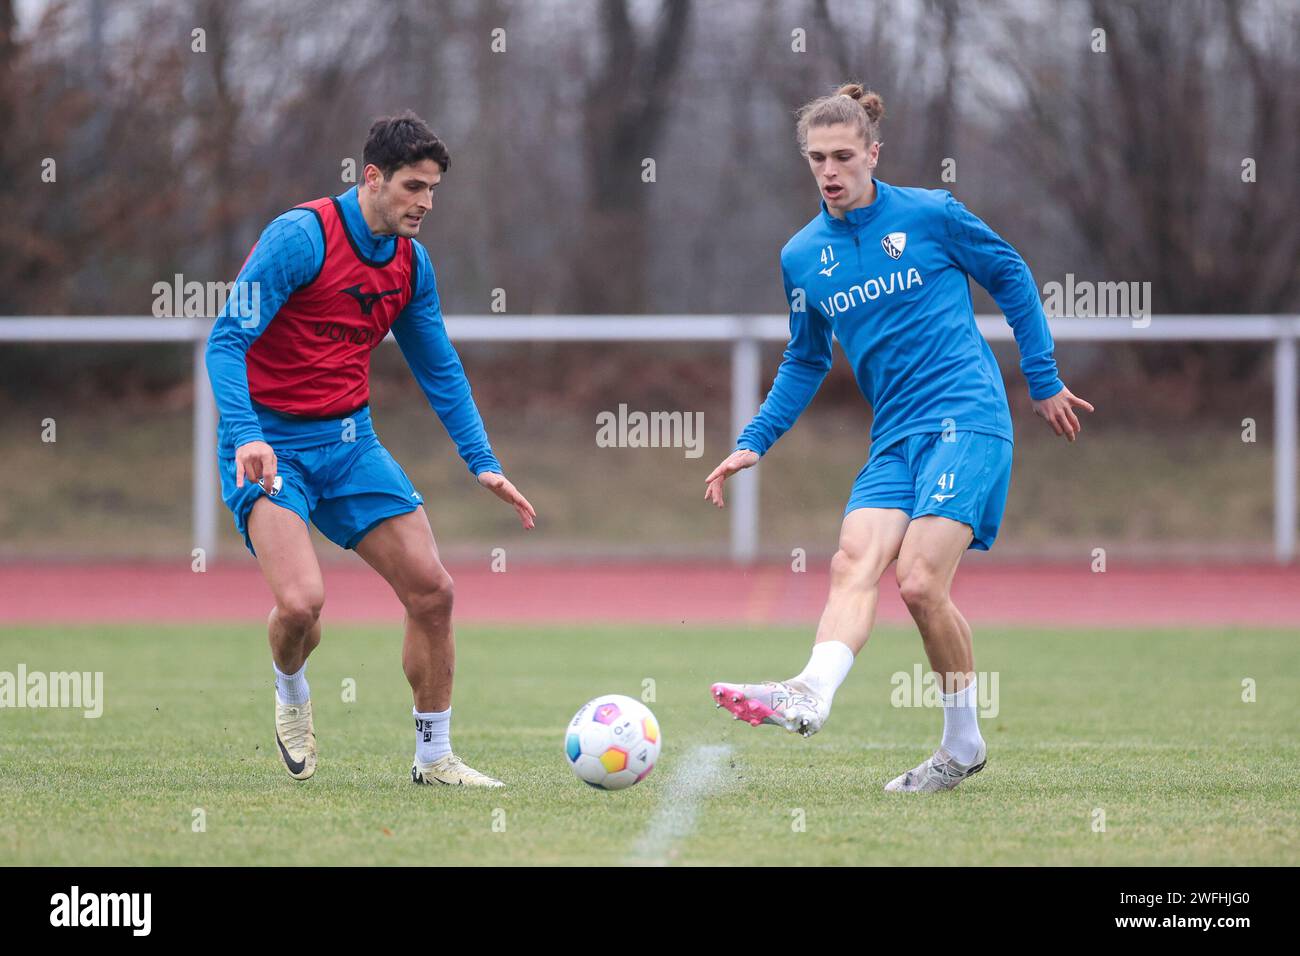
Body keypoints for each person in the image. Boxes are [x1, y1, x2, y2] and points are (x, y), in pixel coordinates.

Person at [704, 84, 1093, 792]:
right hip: (895, 436)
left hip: (968, 418)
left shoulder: (930, 214)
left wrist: (1041, 377)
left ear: (872, 154)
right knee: (852, 559)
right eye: (817, 157)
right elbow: (806, 356)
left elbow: (1009, 273)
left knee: (917, 581)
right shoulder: (802, 255)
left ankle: (959, 740)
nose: (829, 170)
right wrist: (756, 438)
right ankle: (812, 691)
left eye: (844, 156)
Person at [205, 111, 535, 789]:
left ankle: (434, 757)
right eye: (414, 185)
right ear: (372, 177)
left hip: (351, 445)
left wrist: (484, 461)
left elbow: (438, 367)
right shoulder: (303, 236)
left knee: (434, 592)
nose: (425, 202)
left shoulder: (411, 265)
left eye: (434, 189)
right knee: (300, 605)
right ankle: (292, 692)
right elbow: (225, 341)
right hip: (269, 448)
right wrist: (248, 436)